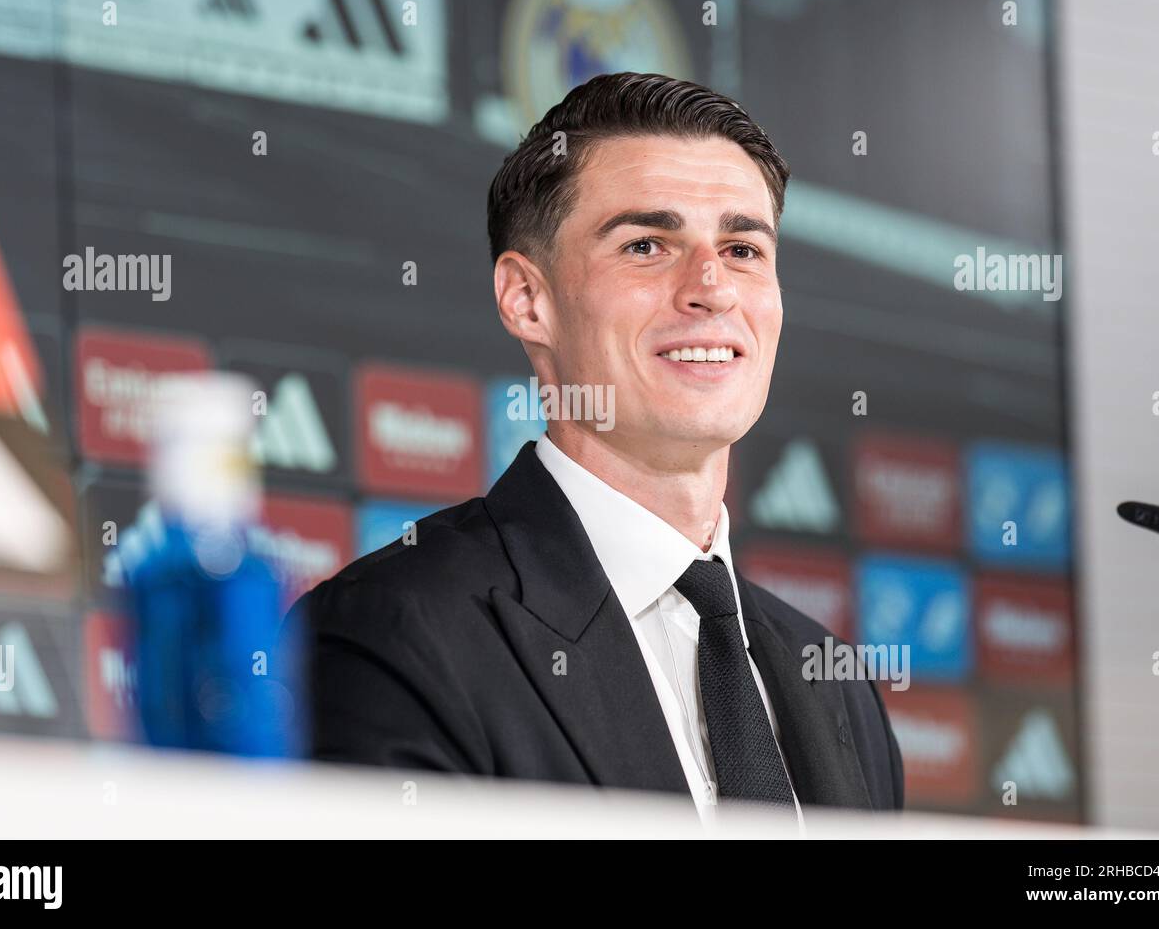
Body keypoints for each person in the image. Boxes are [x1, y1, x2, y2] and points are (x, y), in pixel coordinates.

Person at [290, 72, 903, 820]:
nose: (711, 287)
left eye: (743, 248)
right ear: (528, 300)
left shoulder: (839, 690)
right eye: (647, 244)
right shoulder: (390, 632)